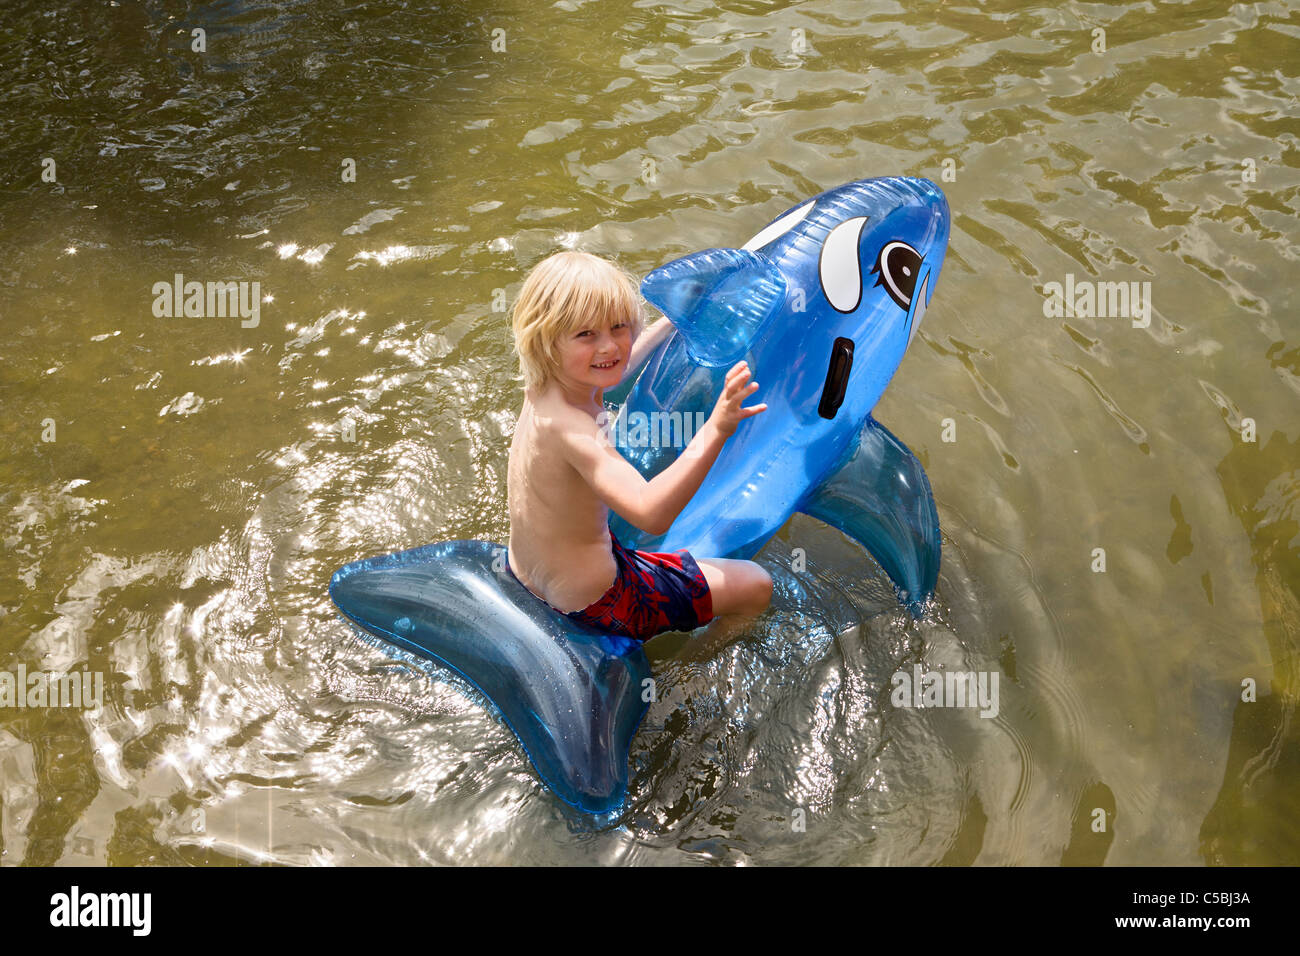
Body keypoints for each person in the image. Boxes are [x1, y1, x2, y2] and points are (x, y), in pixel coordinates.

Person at [505, 250, 773, 642]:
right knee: (756, 585)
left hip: (527, 574)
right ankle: (693, 673)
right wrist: (716, 429)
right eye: (586, 334)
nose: (610, 347)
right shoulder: (576, 432)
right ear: (546, 343)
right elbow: (651, 513)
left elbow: (608, 369)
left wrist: (669, 324)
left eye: (619, 328)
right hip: (598, 603)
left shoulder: (544, 392)